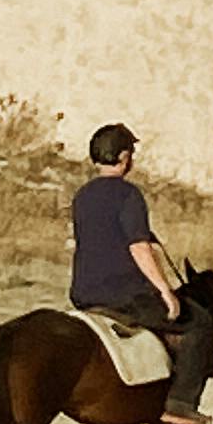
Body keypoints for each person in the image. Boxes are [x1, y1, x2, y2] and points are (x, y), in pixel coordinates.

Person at [69, 123, 186, 352]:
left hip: (83, 293)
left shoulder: (82, 195)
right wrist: (165, 290)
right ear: (124, 158)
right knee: (197, 323)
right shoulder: (129, 195)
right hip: (124, 296)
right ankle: (181, 389)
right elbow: (139, 248)